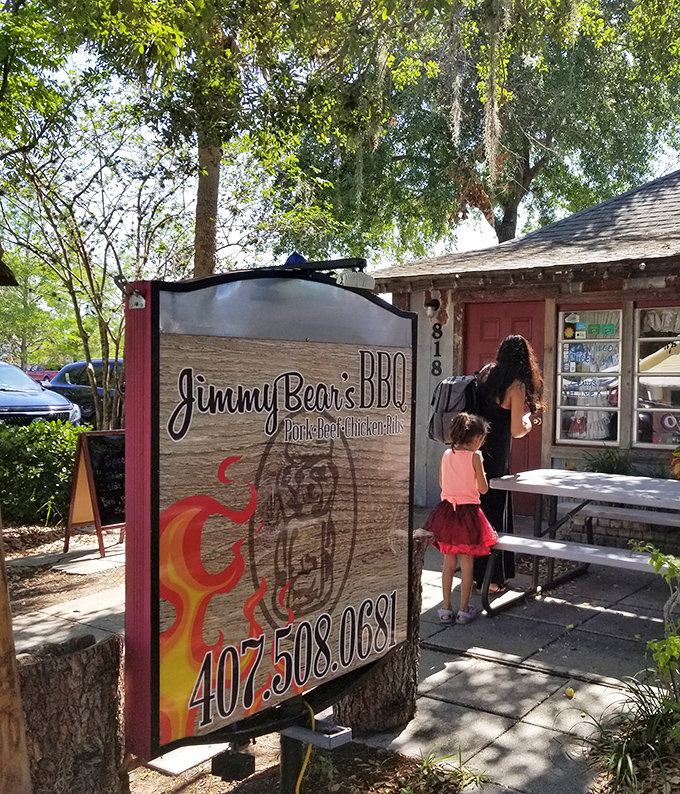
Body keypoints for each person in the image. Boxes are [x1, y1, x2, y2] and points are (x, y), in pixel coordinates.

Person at [473, 334, 544, 594]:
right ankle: (492, 579)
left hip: (476, 448)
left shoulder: (486, 375)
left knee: (479, 510)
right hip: (498, 453)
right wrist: (528, 422)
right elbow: (516, 429)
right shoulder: (516, 385)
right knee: (495, 512)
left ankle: (477, 574)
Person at [424, 412, 498, 625]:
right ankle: (464, 610)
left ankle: (446, 609)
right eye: (481, 440)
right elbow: (483, 489)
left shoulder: (446, 454)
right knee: (467, 563)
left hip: (447, 513)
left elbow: (441, 482)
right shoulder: (475, 457)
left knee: (448, 561)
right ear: (476, 439)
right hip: (468, 515)